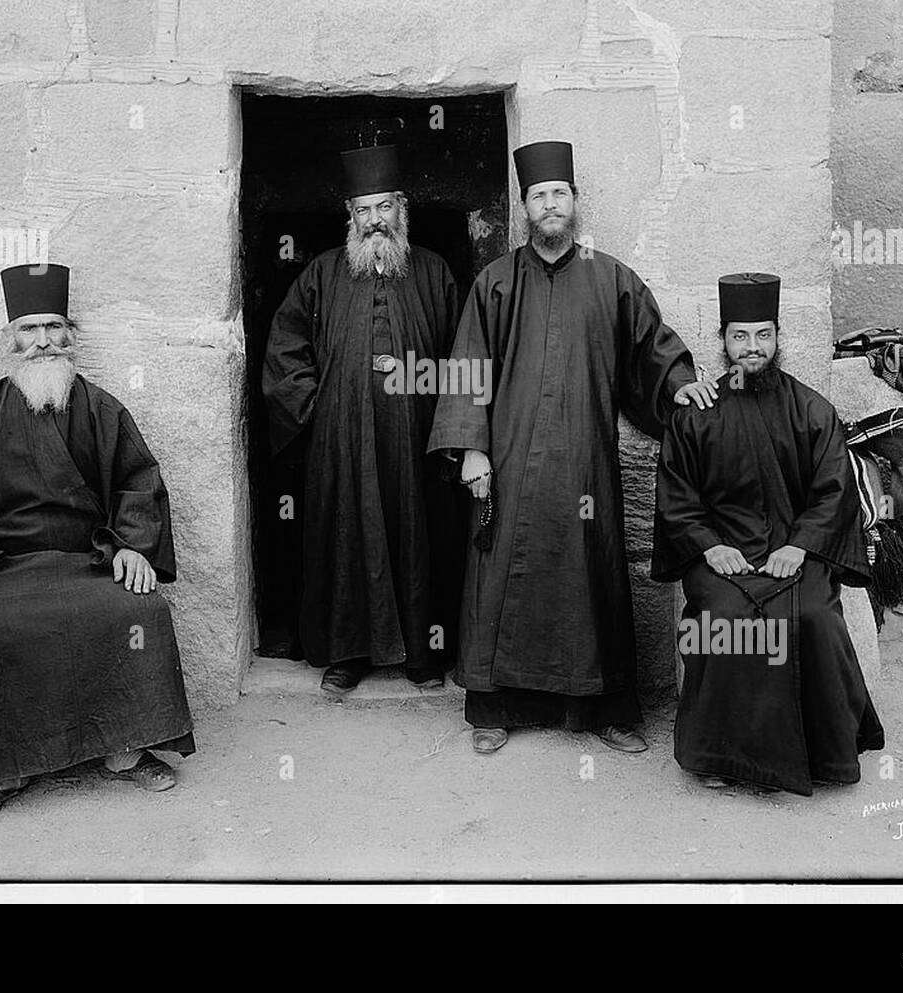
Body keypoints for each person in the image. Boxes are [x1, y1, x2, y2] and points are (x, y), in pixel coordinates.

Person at [428, 140, 718, 755]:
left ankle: (608, 711)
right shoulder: (496, 282)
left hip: (586, 466)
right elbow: (467, 368)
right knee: (500, 577)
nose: (551, 205)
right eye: (540, 196)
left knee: (593, 578)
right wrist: (471, 450)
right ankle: (493, 707)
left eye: (560, 193)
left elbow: (652, 349)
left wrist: (681, 384)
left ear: (575, 203)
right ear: (526, 208)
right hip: (506, 462)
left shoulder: (611, 278)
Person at [0, 264, 194, 827]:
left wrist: (134, 545)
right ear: (11, 340)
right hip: (5, 568)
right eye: (30, 329)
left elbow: (139, 479)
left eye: (55, 327)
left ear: (70, 335)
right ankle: (0, 772)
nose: (43, 342)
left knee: (142, 611)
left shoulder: (101, 409)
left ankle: (124, 749)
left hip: (89, 561)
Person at [653, 272, 885, 795]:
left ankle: (823, 755)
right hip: (721, 557)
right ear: (724, 340)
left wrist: (798, 546)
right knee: (723, 616)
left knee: (808, 616)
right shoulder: (695, 416)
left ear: (778, 337)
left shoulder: (812, 410)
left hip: (795, 551)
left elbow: (834, 492)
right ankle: (718, 755)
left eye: (762, 335)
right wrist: (711, 548)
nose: (752, 348)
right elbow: (678, 498)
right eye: (740, 336)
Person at [263, 144, 461, 694]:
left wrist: (447, 423)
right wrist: (317, 407)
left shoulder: (434, 271)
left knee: (418, 534)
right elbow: (284, 348)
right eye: (362, 210)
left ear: (402, 208)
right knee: (346, 536)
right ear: (350, 217)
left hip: (416, 437)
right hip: (341, 439)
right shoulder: (321, 273)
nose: (375, 221)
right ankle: (347, 653)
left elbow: (463, 352)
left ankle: (423, 652)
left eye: (384, 208)